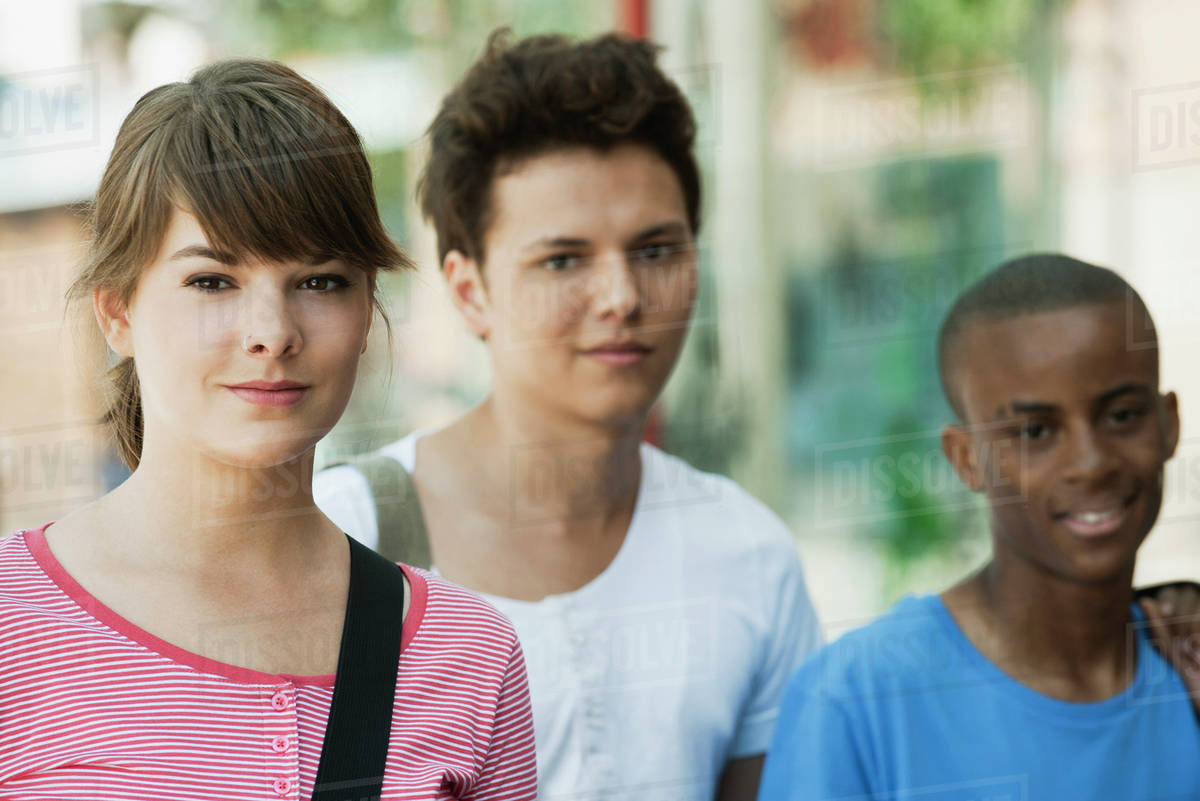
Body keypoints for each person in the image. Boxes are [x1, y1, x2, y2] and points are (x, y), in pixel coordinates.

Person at [0, 59, 536, 800]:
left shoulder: (467, 654)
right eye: (212, 280)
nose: (272, 333)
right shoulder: (13, 627)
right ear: (118, 310)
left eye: (320, 280)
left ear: (367, 307)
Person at [315, 30, 822, 801]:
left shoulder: (747, 555)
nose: (622, 297)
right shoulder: (343, 535)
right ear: (469, 288)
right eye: (563, 260)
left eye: (656, 249)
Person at [757, 254, 1200, 801]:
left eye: (1122, 415)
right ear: (966, 459)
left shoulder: (1186, 666)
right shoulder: (858, 701)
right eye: (1036, 430)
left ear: (1170, 424)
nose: (1090, 462)